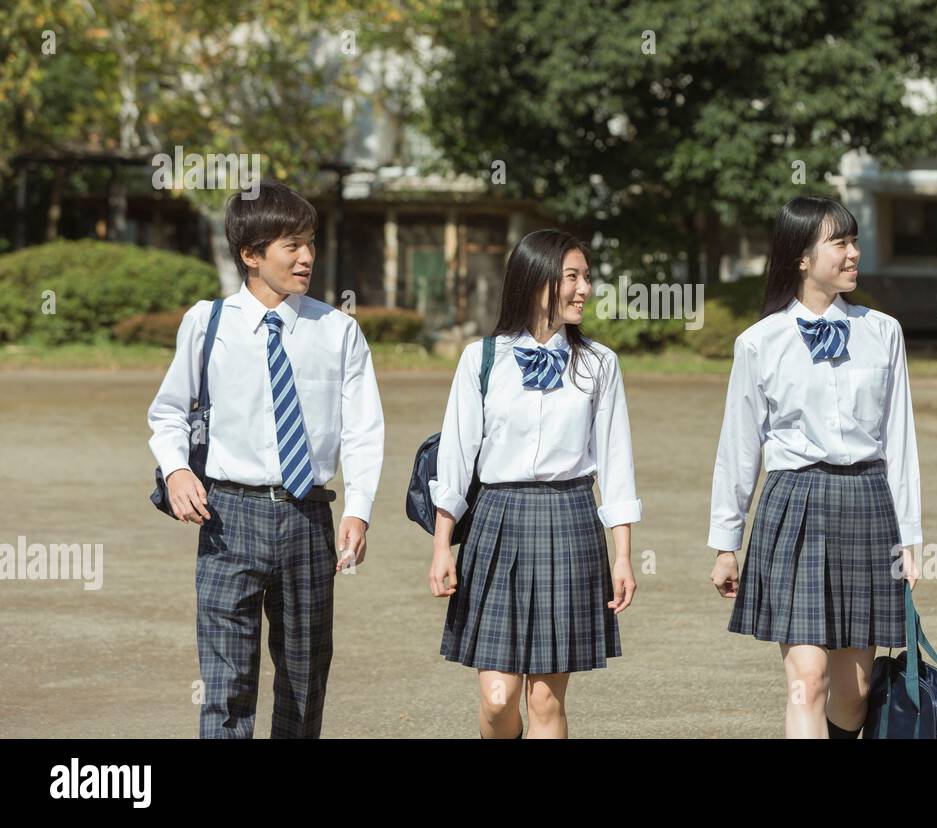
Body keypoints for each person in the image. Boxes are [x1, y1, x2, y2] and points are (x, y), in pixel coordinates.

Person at [147, 179, 383, 738]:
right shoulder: (207, 324)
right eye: (290, 245)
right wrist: (178, 469)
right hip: (228, 519)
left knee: (304, 685)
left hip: (309, 519)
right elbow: (168, 411)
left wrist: (360, 508)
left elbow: (364, 431)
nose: (306, 257)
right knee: (226, 688)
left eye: (309, 242)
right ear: (251, 255)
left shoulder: (338, 331)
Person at [709, 195, 922, 739]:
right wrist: (725, 542)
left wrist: (912, 537)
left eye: (854, 242)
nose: (854, 254)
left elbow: (900, 440)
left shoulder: (885, 332)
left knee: (855, 695)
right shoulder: (759, 342)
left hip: (868, 505)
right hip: (794, 505)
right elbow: (739, 444)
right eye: (841, 243)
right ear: (801, 258)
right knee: (807, 679)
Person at [429, 229, 641, 739]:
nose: (584, 288)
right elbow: (455, 457)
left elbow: (616, 462)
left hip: (570, 522)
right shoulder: (482, 359)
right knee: (497, 697)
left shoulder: (599, 364)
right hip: (496, 525)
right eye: (572, 277)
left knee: (545, 698)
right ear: (535, 280)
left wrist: (623, 555)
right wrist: (441, 547)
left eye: (586, 277)